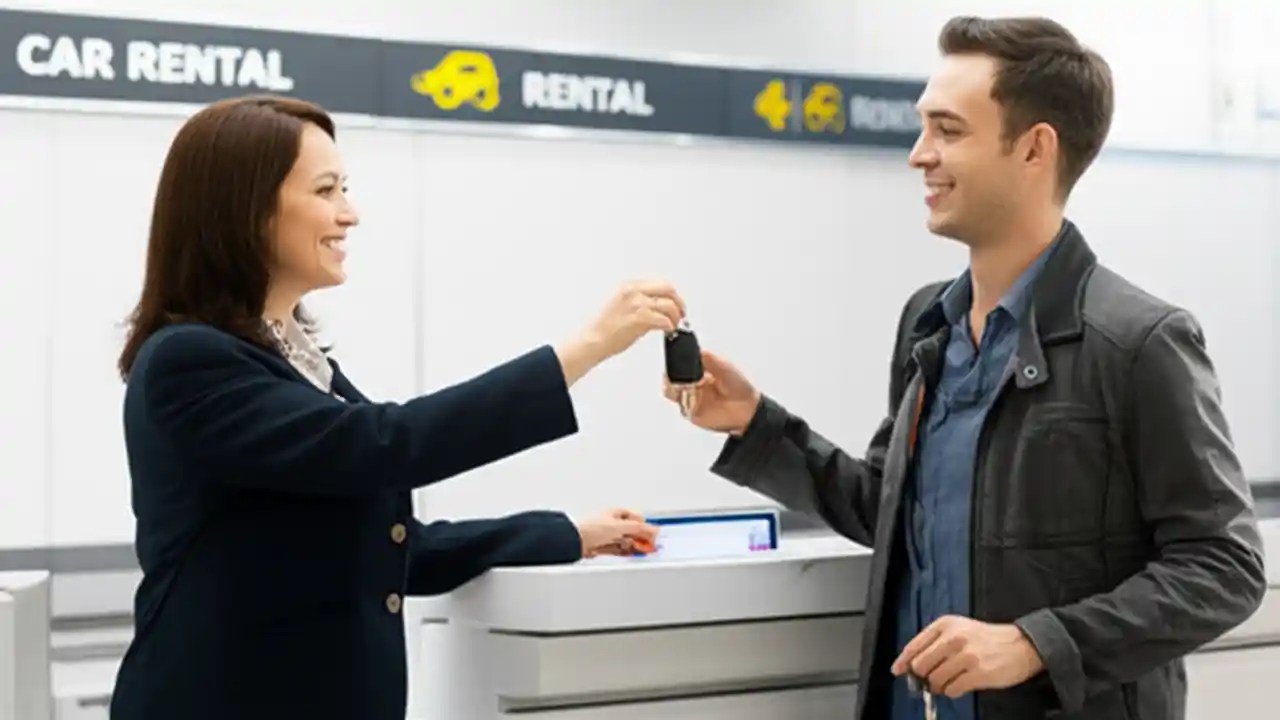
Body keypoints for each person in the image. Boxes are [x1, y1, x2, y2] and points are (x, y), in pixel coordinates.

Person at [665, 16, 1266, 720]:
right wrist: (755, 423)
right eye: (925, 129)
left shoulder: (1140, 342)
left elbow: (1224, 568)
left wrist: (1035, 643)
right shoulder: (931, 328)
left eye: (948, 131)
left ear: (1035, 149)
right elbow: (888, 510)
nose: (920, 154)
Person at [109, 95, 681, 720]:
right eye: (326, 190)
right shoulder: (188, 363)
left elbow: (375, 548)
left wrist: (568, 534)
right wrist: (587, 350)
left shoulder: (297, 362)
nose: (349, 214)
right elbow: (384, 445)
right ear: (246, 209)